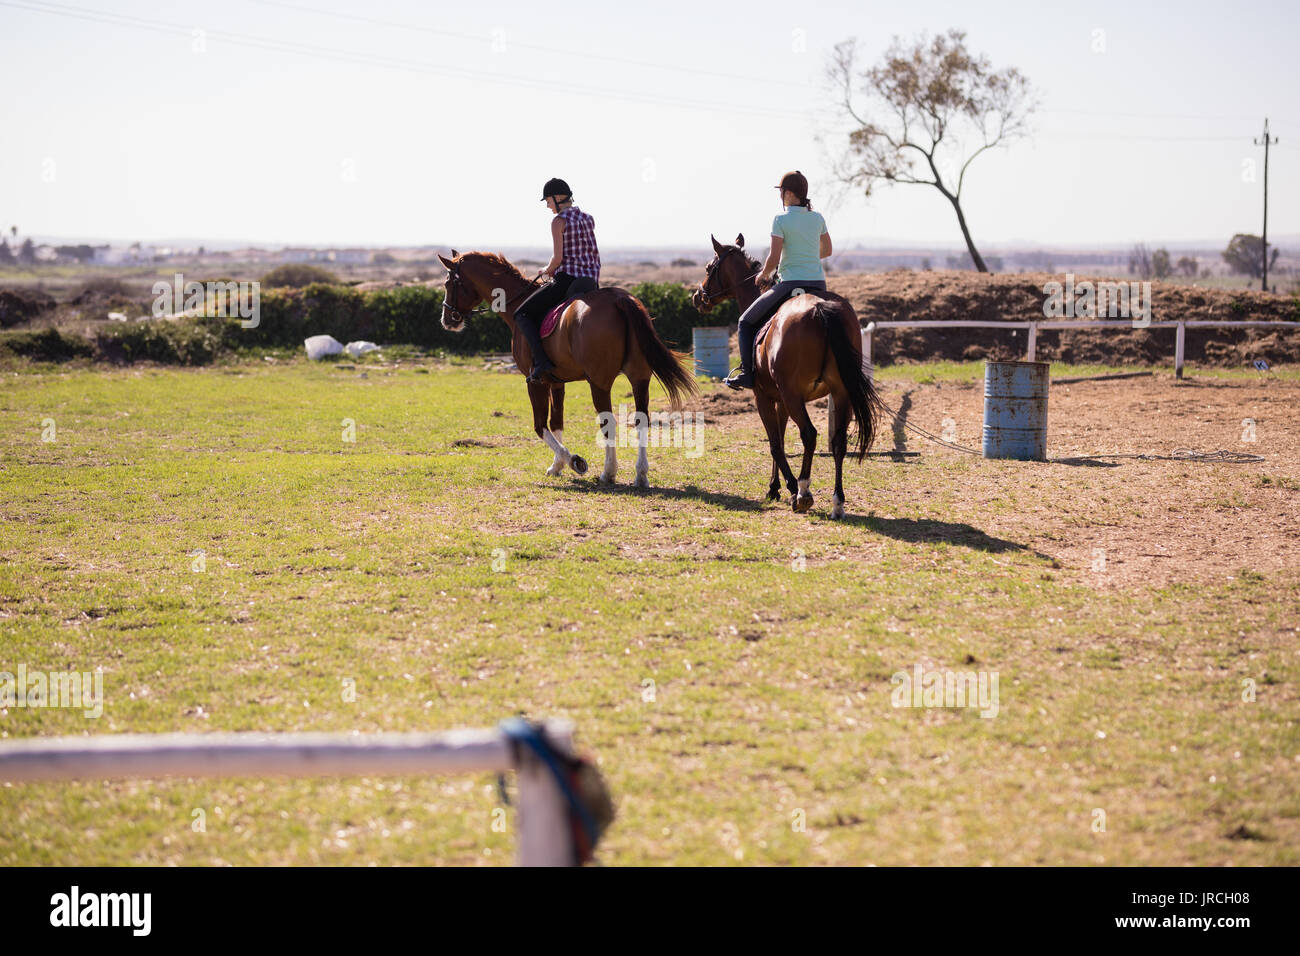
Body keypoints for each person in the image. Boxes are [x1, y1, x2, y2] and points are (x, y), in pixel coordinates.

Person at [724, 170, 832, 390]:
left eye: (781, 192)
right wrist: (808, 257)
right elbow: (827, 250)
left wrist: (764, 275)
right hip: (819, 285)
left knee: (745, 323)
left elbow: (773, 258)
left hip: (791, 284)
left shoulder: (780, 219)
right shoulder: (817, 218)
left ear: (789, 193)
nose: (780, 196)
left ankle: (747, 374)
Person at [514, 178, 601, 384]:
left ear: (557, 198)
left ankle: (541, 363)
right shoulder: (589, 218)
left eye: (548, 201)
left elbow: (558, 259)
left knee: (522, 314)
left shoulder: (558, 222)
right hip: (590, 281)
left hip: (567, 280)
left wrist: (546, 270)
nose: (547, 205)